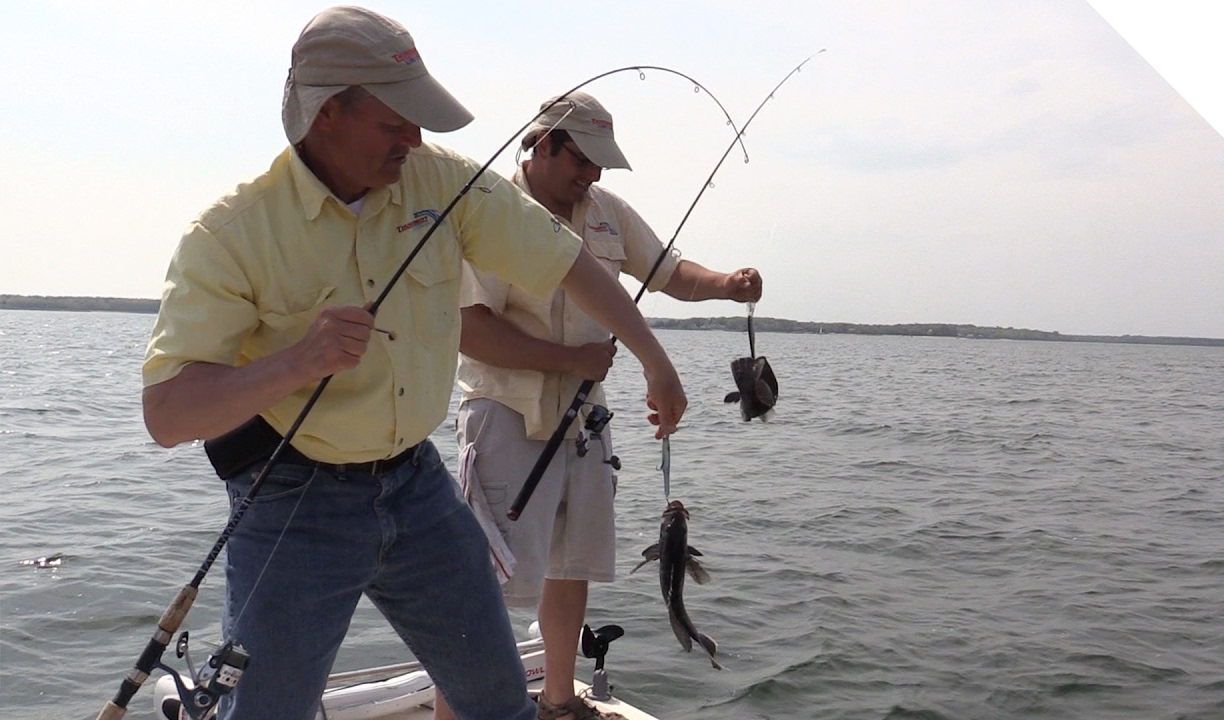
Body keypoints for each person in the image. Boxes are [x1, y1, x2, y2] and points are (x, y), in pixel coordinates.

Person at [140, 8, 686, 720]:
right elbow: (168, 414)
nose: (415, 139)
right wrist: (296, 362)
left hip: (418, 489)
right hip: (291, 504)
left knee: (498, 703)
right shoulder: (230, 235)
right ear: (328, 111)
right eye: (396, 121)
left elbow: (567, 261)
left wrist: (654, 358)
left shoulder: (441, 183)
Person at [439, 91, 762, 720]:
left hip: (586, 421)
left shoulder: (607, 213)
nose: (590, 174)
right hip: (507, 414)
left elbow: (668, 271)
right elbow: (468, 328)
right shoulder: (491, 212)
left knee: (570, 567)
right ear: (541, 143)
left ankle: (558, 701)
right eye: (580, 159)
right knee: (483, 585)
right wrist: (569, 362)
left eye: (600, 165)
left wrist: (726, 284)